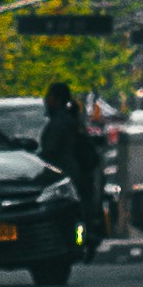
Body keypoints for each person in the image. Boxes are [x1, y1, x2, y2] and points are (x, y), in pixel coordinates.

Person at [39, 82, 105, 239]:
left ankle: (79, 239)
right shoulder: (71, 120)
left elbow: (49, 150)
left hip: (65, 174)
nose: (46, 100)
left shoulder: (60, 123)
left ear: (57, 99)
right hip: (76, 174)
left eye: (50, 97)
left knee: (70, 212)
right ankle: (81, 238)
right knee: (78, 211)